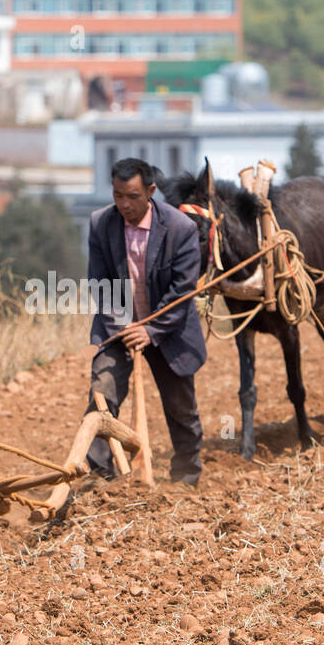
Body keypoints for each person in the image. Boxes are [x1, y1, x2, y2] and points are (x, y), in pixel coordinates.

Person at [84, 157, 206, 485]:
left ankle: (186, 476)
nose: (124, 204)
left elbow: (182, 292)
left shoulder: (180, 228)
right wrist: (124, 327)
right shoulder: (100, 224)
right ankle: (99, 477)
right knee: (102, 395)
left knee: (181, 408)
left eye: (133, 196)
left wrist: (150, 330)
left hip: (169, 331)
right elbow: (100, 284)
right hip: (119, 330)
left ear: (151, 191)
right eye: (118, 195)